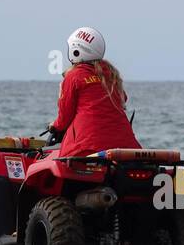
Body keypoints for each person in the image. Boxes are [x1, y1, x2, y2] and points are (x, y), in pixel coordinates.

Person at [43, 27, 142, 156]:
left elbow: (64, 118)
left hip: (88, 146)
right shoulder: (111, 74)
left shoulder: (74, 76)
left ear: (76, 51)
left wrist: (54, 126)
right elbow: (123, 98)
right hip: (125, 146)